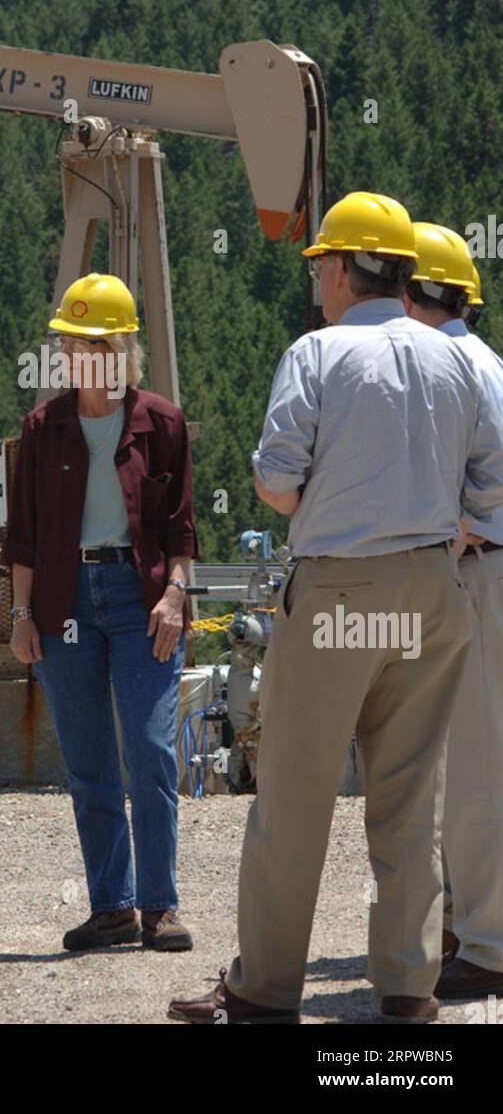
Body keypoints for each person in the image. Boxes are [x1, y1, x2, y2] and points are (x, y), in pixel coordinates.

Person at [169, 192, 503, 1025]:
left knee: (293, 797)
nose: (315, 276)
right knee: (407, 799)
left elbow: (276, 481)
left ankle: (265, 987)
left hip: (337, 593)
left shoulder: (316, 354)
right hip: (433, 589)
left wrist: (331, 496)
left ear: (348, 267)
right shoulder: (455, 360)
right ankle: (407, 987)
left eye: (320, 262)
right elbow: (489, 488)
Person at [2, 273, 200, 952]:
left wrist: (176, 596)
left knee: (147, 751)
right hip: (63, 605)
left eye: (88, 341)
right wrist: (20, 613)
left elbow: (180, 530)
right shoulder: (43, 427)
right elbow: (23, 533)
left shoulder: (161, 423)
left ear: (119, 348)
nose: (73, 352)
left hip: (140, 601)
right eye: (66, 341)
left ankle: (159, 905)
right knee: (89, 762)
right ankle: (110, 907)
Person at [404, 228, 503, 1000]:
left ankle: (486, 943)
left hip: (476, 570)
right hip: (478, 569)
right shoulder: (479, 361)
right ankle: (464, 922)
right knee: (468, 761)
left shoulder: (451, 366)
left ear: (412, 294)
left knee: (471, 766)